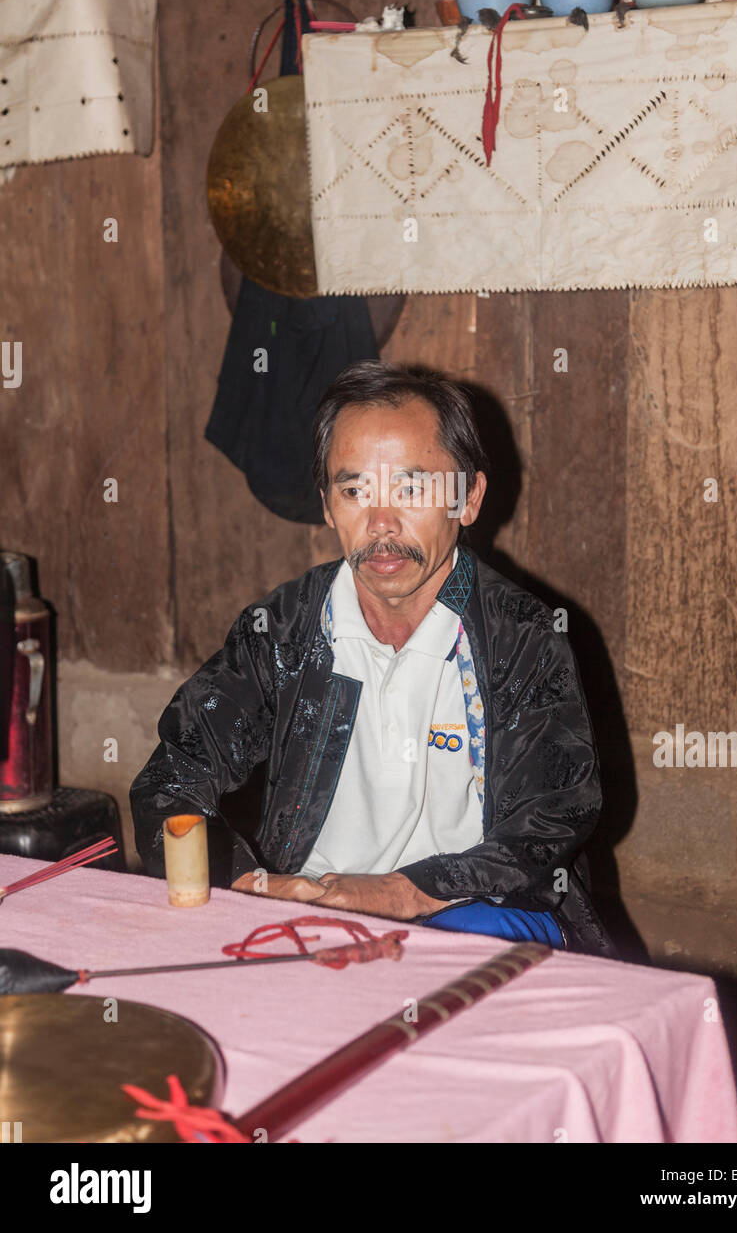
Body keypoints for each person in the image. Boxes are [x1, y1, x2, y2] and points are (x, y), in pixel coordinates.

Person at [130, 362, 615, 956]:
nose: (381, 525)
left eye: (412, 490)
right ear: (329, 507)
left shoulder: (522, 639)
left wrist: (406, 892)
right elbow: (171, 779)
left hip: (471, 909)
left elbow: (550, 819)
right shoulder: (283, 631)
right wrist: (249, 885)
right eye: (355, 490)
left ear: (467, 500)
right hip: (311, 907)